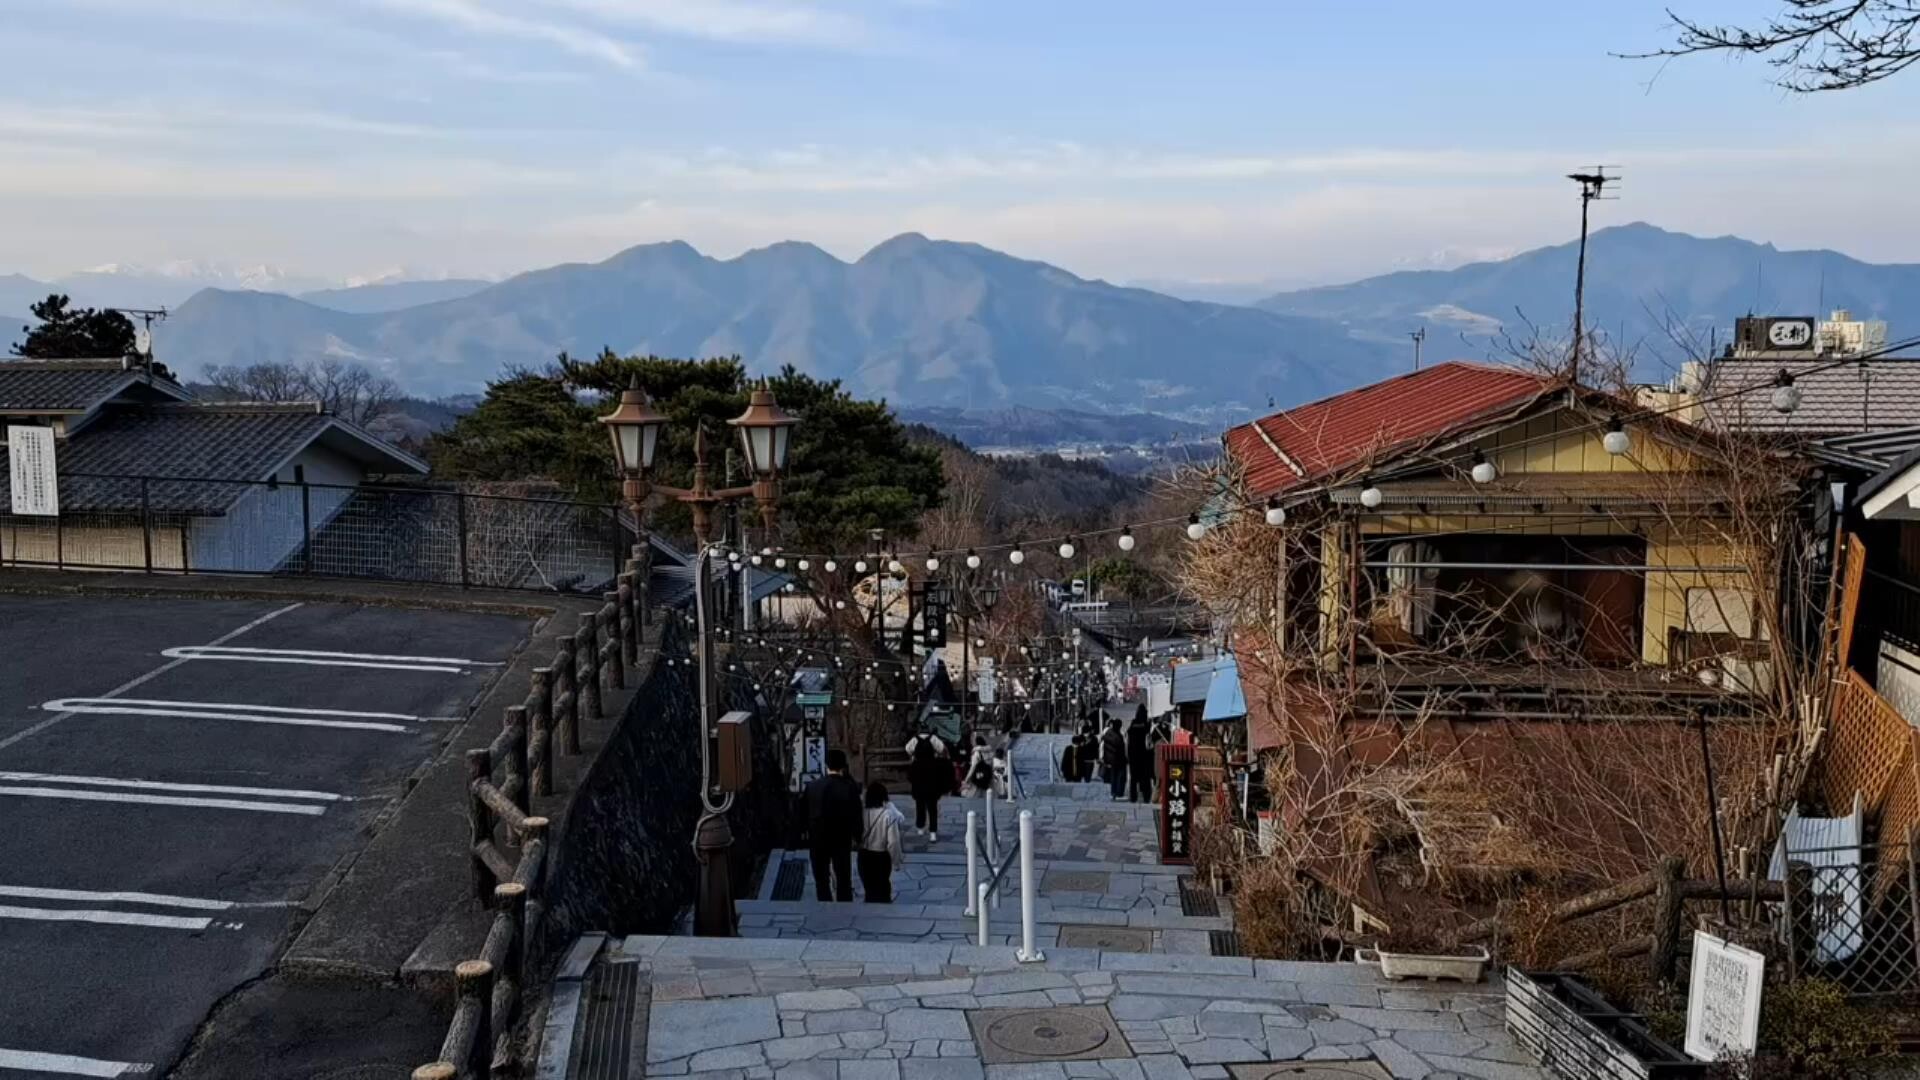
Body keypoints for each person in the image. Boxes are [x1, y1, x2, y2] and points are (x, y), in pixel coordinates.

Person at [804, 748, 863, 901]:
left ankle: (825, 904)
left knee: (821, 879)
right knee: (843, 877)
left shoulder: (812, 787)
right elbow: (856, 814)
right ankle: (844, 905)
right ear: (843, 766)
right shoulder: (849, 787)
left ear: (826, 764)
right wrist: (858, 836)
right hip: (841, 837)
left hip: (817, 837)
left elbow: (802, 814)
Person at [858, 780, 906, 902]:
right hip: (881, 856)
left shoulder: (861, 812)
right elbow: (893, 842)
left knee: (869, 888)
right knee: (883, 888)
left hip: (864, 854)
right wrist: (896, 861)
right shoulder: (888, 815)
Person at [904, 724, 948, 842]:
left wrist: (914, 755)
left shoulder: (915, 739)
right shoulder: (933, 739)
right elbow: (942, 748)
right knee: (932, 805)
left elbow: (907, 749)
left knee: (920, 802)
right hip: (931, 772)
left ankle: (920, 827)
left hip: (918, 772)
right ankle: (933, 831)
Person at [1126, 706, 1154, 803]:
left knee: (1133, 779)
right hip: (1144, 756)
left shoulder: (1132, 725)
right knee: (1145, 778)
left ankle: (1133, 797)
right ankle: (1146, 797)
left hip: (1133, 756)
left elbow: (1128, 742)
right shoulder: (1146, 726)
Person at [1100, 718, 1128, 800]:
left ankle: (1113, 792)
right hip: (1119, 759)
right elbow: (1121, 749)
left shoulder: (1108, 733)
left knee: (1113, 776)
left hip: (1110, 759)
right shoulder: (1118, 737)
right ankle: (1119, 793)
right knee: (1121, 777)